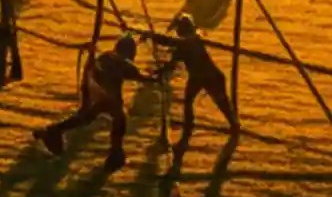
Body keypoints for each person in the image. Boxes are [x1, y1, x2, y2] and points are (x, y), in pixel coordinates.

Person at [33, 33, 152, 172]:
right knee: (116, 118)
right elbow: (137, 75)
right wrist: (154, 77)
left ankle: (53, 131)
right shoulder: (120, 61)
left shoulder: (108, 57)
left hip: (94, 89)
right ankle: (115, 154)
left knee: (87, 117)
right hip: (101, 93)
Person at [150, 14, 238, 161]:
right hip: (197, 78)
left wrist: (152, 36)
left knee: (222, 104)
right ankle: (189, 128)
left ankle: (234, 126)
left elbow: (170, 42)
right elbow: (172, 62)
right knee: (188, 102)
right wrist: (159, 71)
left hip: (211, 77)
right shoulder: (185, 43)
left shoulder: (192, 41)